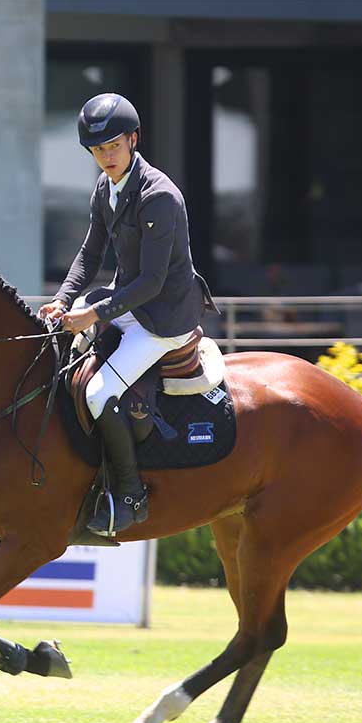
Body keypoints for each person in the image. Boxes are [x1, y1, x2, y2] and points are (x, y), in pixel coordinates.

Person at [38, 92, 216, 535]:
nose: (106, 157)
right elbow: (89, 252)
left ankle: (130, 494)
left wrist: (94, 314)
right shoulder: (105, 187)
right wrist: (64, 301)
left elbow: (152, 282)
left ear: (133, 140)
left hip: (164, 318)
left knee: (99, 392)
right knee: (60, 341)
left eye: (114, 146)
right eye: (98, 150)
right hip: (128, 301)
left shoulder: (159, 197)